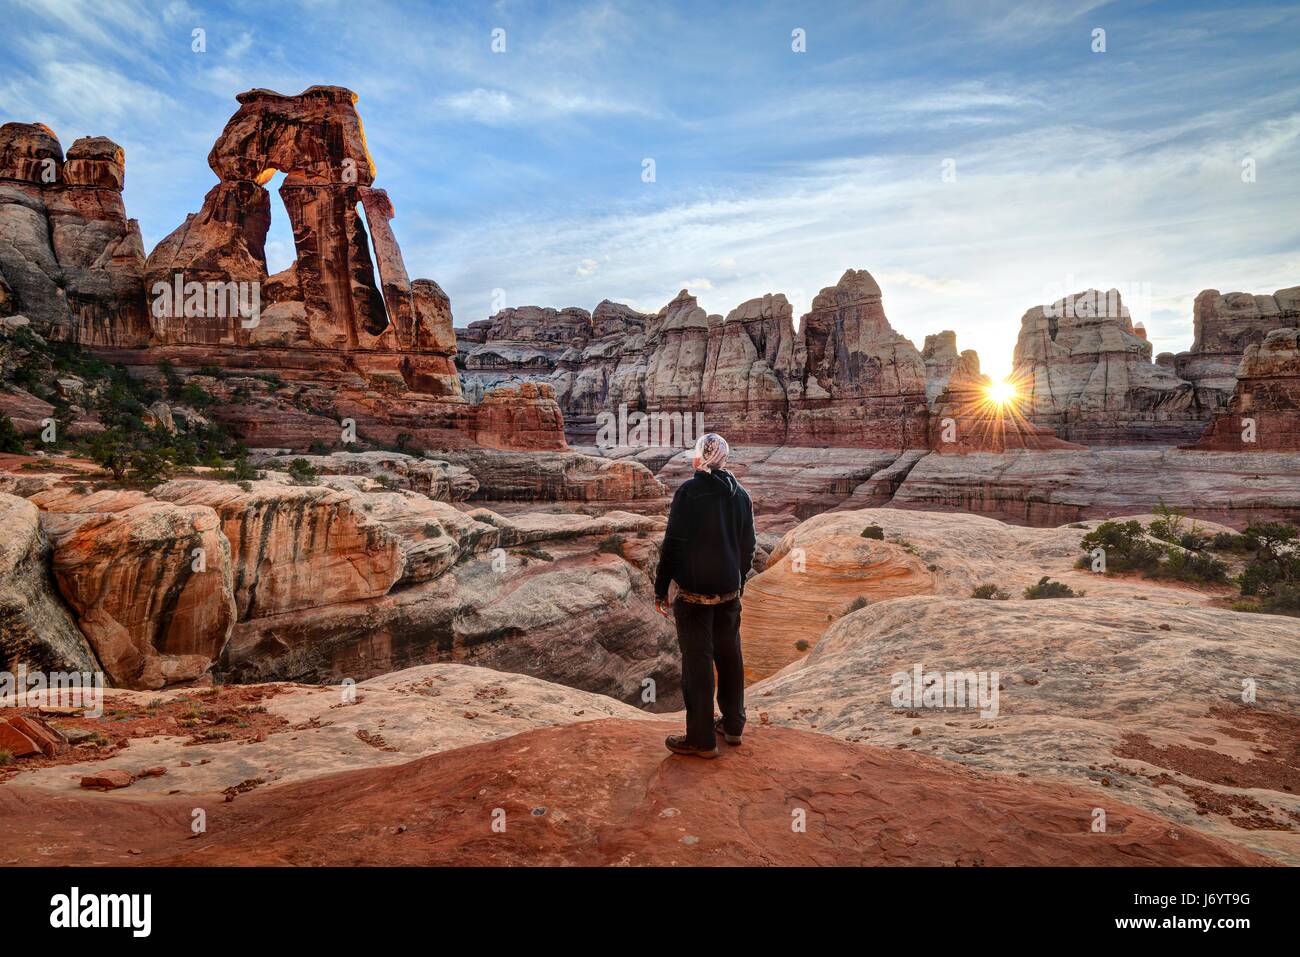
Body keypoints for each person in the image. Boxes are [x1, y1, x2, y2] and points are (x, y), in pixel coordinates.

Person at [654, 432, 756, 758]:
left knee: (697, 664)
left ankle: (701, 739)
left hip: (695, 596)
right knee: (730, 658)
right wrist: (737, 579)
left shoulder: (688, 493)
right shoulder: (740, 495)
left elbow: (673, 545)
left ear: (700, 457)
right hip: (728, 592)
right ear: (723, 458)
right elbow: (747, 546)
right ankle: (734, 725)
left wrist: (661, 588)